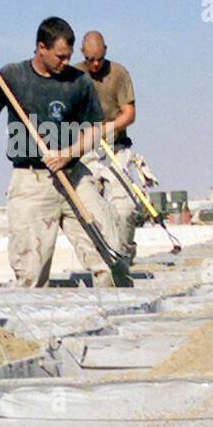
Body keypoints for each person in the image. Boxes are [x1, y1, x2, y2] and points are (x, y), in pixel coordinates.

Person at [0, 18, 120, 287]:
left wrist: (69, 153)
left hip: (74, 174)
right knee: (30, 272)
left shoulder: (79, 81)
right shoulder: (13, 76)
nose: (66, 62)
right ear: (41, 48)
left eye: (69, 56)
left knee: (108, 254)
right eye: (60, 56)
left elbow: (95, 130)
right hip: (31, 181)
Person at [78, 31, 139, 261]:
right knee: (91, 211)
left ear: (106, 51)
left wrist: (103, 131)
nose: (95, 64)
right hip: (85, 151)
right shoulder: (73, 75)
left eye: (99, 59)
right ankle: (103, 260)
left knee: (125, 209)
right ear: (82, 53)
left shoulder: (119, 73)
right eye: (90, 59)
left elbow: (129, 114)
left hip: (115, 148)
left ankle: (125, 255)